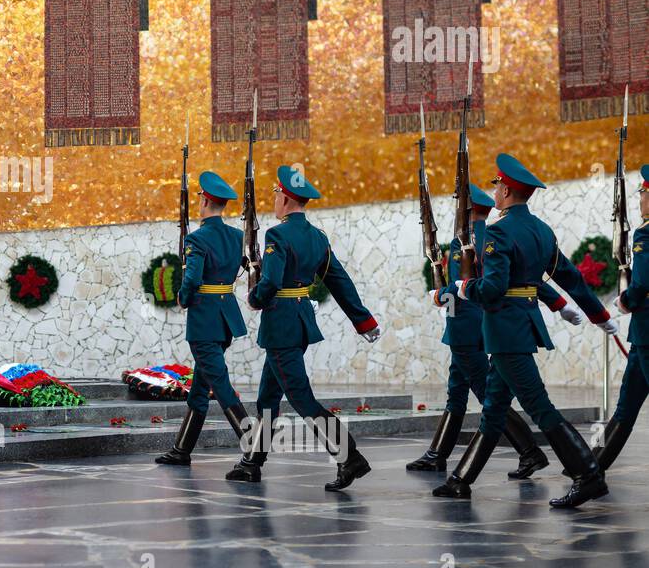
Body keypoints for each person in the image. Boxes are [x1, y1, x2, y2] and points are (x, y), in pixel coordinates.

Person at [433, 154, 618, 508]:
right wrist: (599, 315)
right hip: (522, 324)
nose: (496, 190)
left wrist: (456, 288)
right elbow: (571, 278)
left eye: (498, 185)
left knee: (539, 406)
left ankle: (588, 476)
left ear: (505, 190)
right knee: (493, 407)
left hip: (505, 328)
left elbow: (491, 289)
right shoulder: (541, 230)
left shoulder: (499, 232)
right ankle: (461, 479)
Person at [409, 183, 584, 476]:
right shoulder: (493, 235)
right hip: (479, 325)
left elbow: (457, 287)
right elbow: (527, 279)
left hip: (468, 328)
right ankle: (437, 453)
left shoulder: (462, 243)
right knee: (457, 390)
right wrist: (558, 303)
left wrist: (440, 299)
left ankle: (530, 451)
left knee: (487, 394)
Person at [226, 165, 382, 492]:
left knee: (302, 399)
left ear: (284, 198)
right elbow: (339, 281)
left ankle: (349, 457)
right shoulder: (317, 237)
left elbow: (269, 282)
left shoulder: (278, 235)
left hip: (281, 325)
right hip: (299, 324)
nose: (272, 198)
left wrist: (255, 298)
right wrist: (363, 320)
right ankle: (252, 462)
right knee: (268, 398)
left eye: (274, 193)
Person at [156, 171, 251, 465]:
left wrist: (183, 298)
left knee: (220, 385)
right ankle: (182, 449)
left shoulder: (197, 240)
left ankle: (254, 445)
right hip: (224, 320)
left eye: (200, 199)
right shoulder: (237, 236)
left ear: (206, 201)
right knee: (200, 385)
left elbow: (193, 278)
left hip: (204, 321)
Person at [596, 164, 649, 471]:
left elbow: (643, 282)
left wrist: (625, 301)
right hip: (642, 338)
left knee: (626, 408)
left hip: (646, 331)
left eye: (642, 192)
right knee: (626, 407)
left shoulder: (645, 232)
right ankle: (590, 469)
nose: (640, 198)